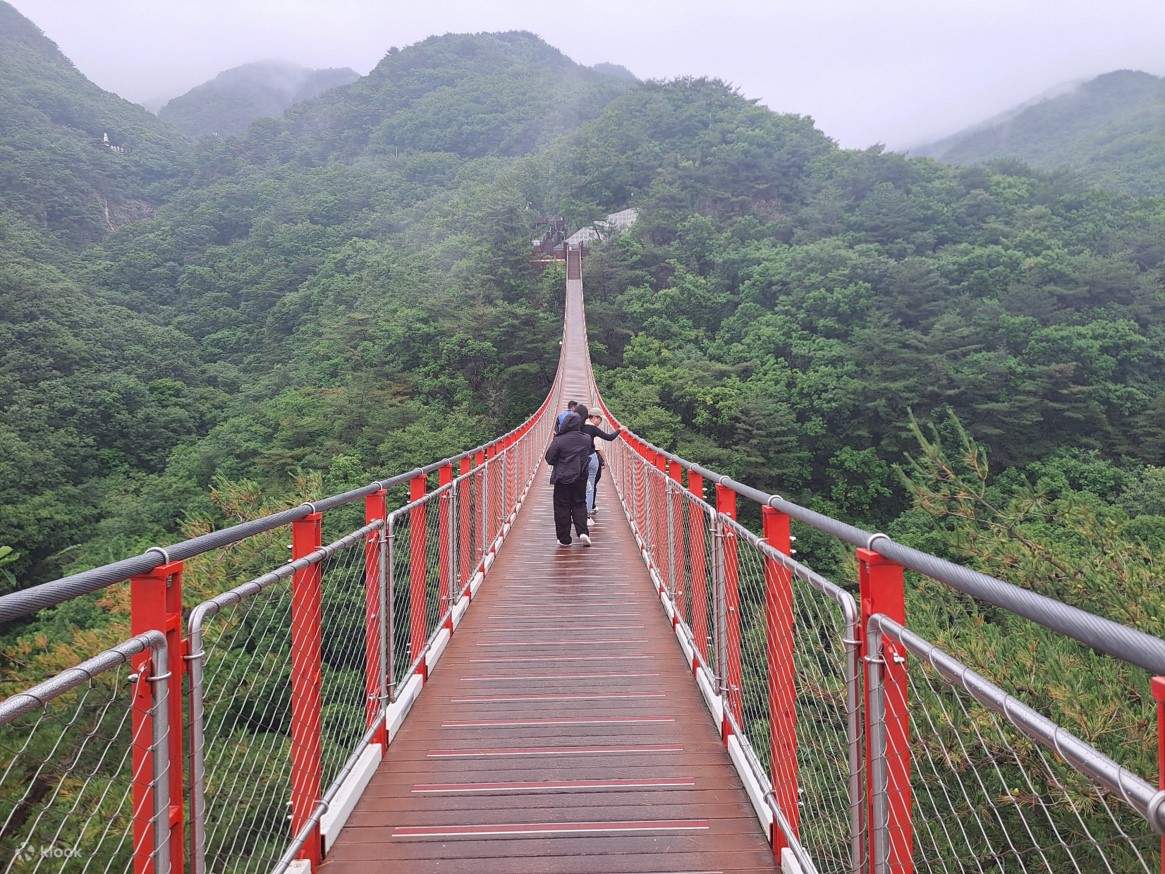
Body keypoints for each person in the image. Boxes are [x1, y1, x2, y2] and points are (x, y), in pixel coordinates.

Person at [544, 410, 592, 547]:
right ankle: (583, 532)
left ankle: (564, 539)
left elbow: (549, 458)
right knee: (579, 503)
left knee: (562, 507)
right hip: (581, 477)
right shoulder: (586, 438)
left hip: (563, 478)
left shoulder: (559, 440)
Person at [581, 410, 621, 518]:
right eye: (600, 419)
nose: (600, 422)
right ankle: (588, 513)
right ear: (594, 417)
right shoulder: (593, 429)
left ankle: (577, 512)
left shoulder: (577, 426)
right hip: (591, 458)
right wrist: (619, 430)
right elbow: (609, 437)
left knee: (579, 486)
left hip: (578, 460)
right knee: (591, 486)